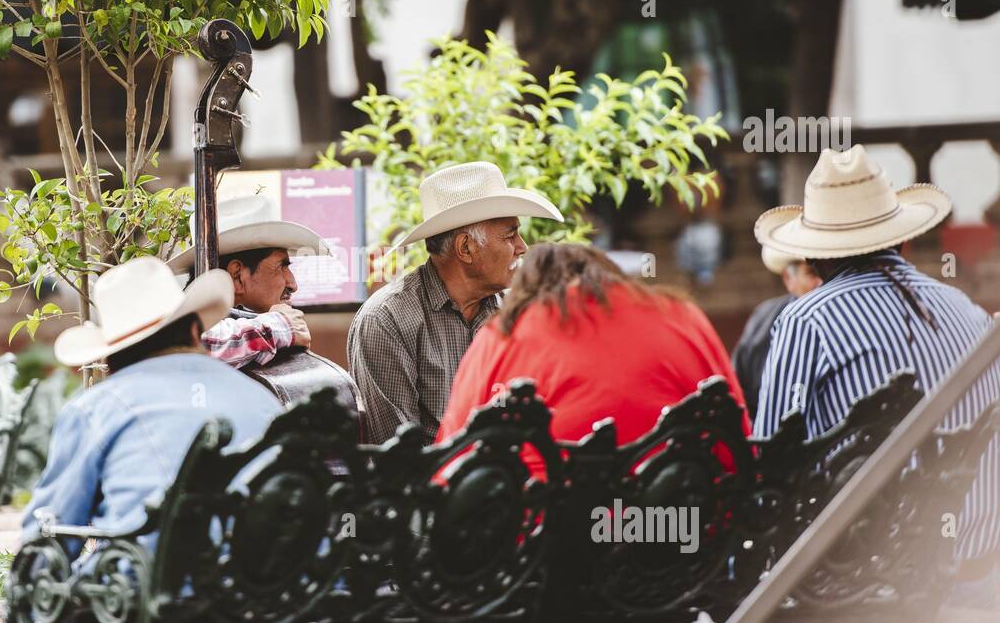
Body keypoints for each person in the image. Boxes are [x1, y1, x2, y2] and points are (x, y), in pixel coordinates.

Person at [8, 256, 283, 623]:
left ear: (110, 354)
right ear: (195, 330)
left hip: (176, 607)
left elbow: (47, 538)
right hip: (282, 596)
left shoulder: (98, 407)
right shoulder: (259, 397)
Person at [753, 145, 1000, 605]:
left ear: (814, 257)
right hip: (980, 567)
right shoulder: (969, 312)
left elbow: (770, 464)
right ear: (903, 240)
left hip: (869, 583)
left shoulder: (805, 320)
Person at [437, 244, 749, 456]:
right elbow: (738, 427)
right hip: (683, 528)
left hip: (549, 539)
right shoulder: (680, 314)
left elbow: (453, 459)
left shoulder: (500, 336)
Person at [348, 161, 564, 444]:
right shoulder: (388, 319)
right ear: (465, 248)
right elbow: (397, 456)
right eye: (510, 235)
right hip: (434, 485)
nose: (522, 247)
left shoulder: (516, 310)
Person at [169, 196, 329, 369]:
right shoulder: (176, 324)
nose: (292, 284)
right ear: (237, 275)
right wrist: (281, 326)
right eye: (281, 266)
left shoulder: (224, 320)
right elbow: (190, 345)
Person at [730, 246, 823, 420]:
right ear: (789, 279)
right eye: (811, 273)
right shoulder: (763, 318)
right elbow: (739, 382)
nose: (820, 282)